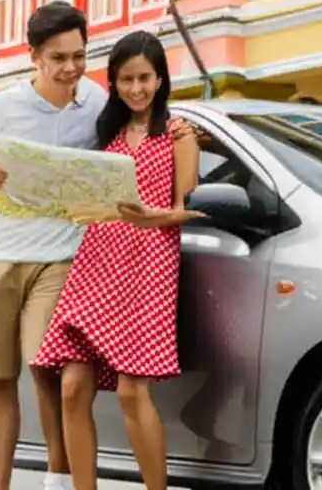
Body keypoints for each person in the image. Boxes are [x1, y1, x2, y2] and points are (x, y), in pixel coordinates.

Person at [0, 3, 190, 490]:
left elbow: (163, 175)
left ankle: (59, 480)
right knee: (6, 383)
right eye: (58, 57)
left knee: (52, 373)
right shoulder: (2, 109)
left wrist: (181, 129)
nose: (70, 68)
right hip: (15, 255)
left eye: (78, 56)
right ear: (34, 58)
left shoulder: (100, 105)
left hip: (77, 258)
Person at [31, 30, 202, 490]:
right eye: (126, 79)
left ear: (161, 78)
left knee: (131, 389)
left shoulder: (178, 133)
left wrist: (151, 218)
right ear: (114, 82)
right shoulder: (106, 133)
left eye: (145, 78)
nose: (136, 89)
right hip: (97, 259)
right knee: (70, 386)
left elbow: (187, 207)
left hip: (149, 261)